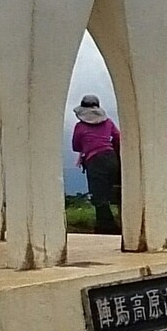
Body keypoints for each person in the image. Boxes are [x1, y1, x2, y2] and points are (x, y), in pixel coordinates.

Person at [71, 94, 121, 233]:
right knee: (106, 194)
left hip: (94, 161)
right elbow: (118, 137)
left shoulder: (80, 126)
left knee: (99, 196)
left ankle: (108, 228)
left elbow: (76, 146)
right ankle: (105, 226)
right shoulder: (108, 123)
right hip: (111, 159)